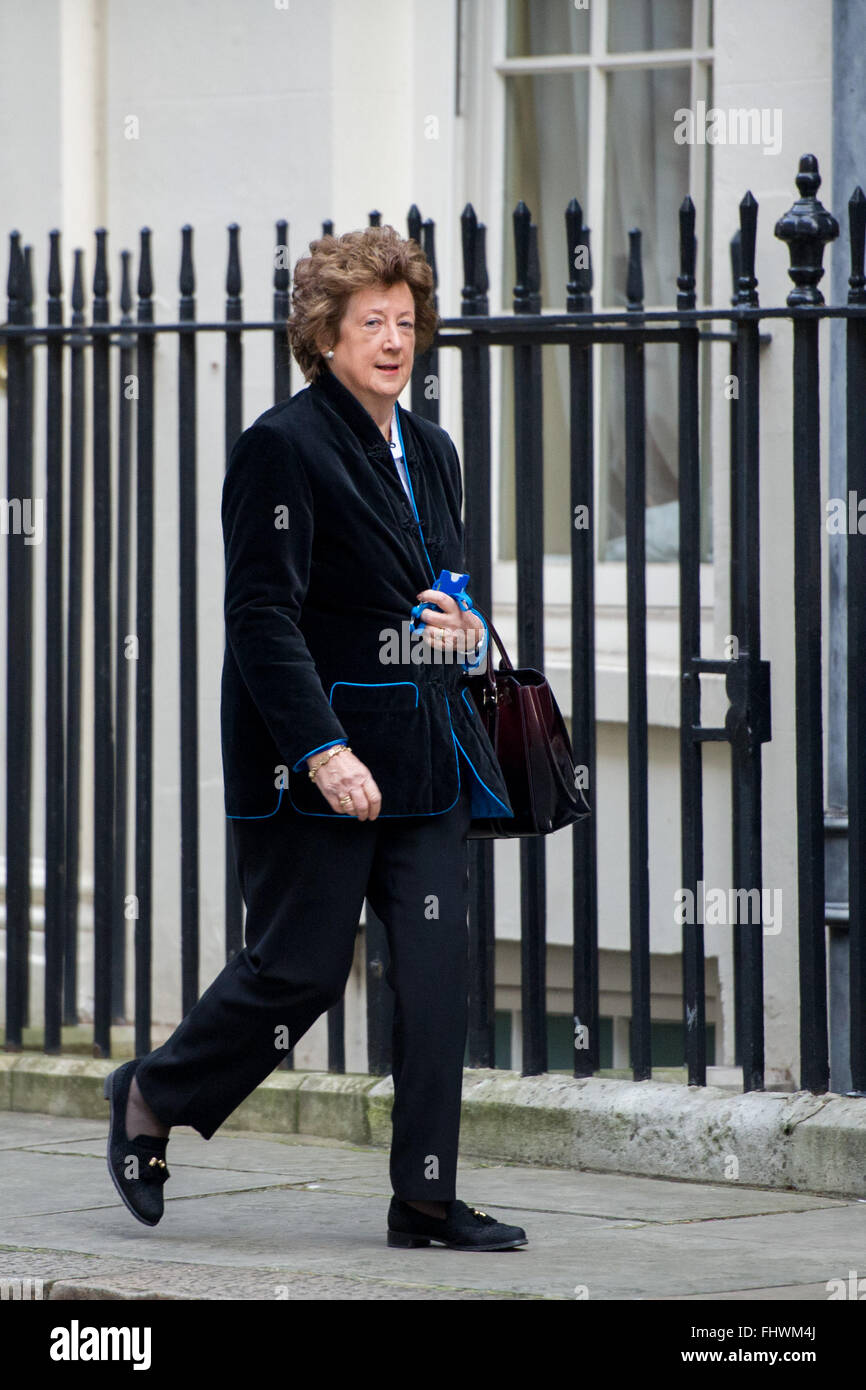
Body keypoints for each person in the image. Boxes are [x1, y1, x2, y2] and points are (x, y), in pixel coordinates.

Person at [104, 224, 527, 1253]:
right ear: (324, 336)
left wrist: (468, 639)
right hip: (319, 766)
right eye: (371, 322)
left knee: (434, 982)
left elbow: (442, 600)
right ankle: (152, 1096)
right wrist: (324, 750)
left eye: (406, 320)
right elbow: (260, 617)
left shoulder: (431, 451)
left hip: (424, 761)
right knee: (295, 972)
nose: (394, 339)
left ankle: (424, 1199)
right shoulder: (280, 446)